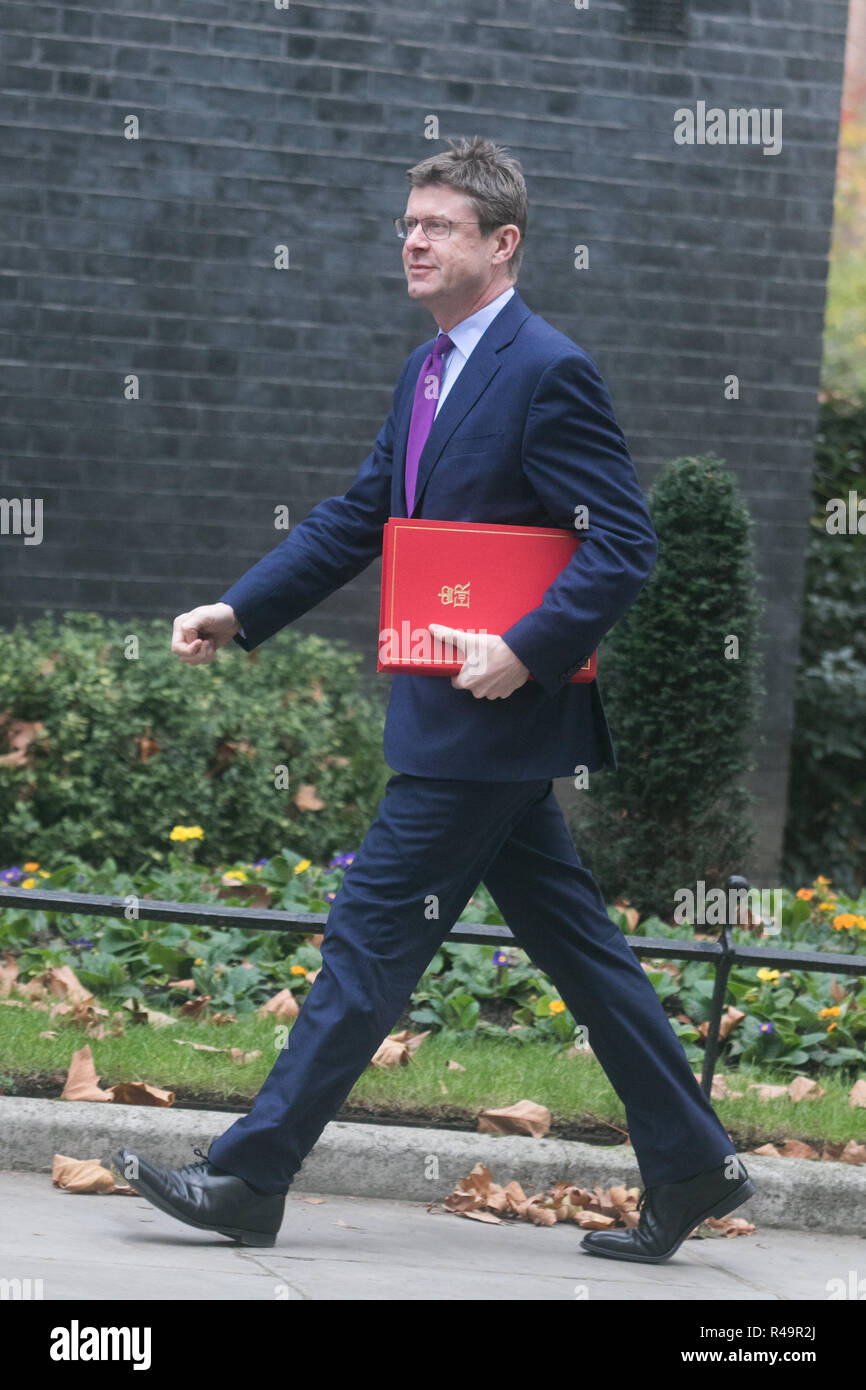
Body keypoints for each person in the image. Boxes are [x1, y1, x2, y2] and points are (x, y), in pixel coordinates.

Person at [116, 136, 755, 1265]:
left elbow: (625, 543)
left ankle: (248, 1176)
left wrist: (526, 646)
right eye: (408, 222)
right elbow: (361, 511)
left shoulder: (545, 367)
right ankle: (691, 1159)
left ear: (501, 245)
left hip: (484, 718)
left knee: (366, 944)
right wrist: (241, 607)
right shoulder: (427, 370)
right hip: (469, 724)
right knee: (581, 949)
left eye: (439, 226)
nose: (411, 240)